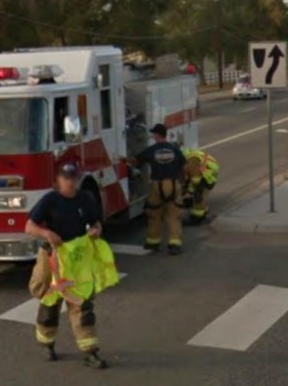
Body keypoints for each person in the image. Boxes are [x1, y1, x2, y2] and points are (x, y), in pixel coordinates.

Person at [24, 163, 108, 369]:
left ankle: (90, 352)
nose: (70, 182)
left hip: (77, 258)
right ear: (58, 181)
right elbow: (29, 226)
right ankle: (47, 344)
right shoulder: (50, 200)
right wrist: (47, 234)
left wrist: (96, 230)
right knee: (49, 302)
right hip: (52, 256)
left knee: (82, 305)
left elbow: (96, 222)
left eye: (73, 178)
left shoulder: (85, 199)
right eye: (66, 178)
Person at [127, 124, 186, 255]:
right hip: (173, 184)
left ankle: (153, 242)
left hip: (157, 186)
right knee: (173, 215)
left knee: (154, 214)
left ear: (157, 135)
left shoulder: (152, 150)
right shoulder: (174, 149)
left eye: (154, 134)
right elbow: (183, 164)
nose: (153, 135)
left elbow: (136, 161)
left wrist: (123, 160)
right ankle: (174, 244)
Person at [182, 148, 219, 225]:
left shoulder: (192, 161)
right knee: (202, 194)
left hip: (206, 177)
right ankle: (204, 211)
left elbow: (195, 180)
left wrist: (189, 191)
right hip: (210, 175)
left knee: (198, 196)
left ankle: (196, 218)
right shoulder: (193, 154)